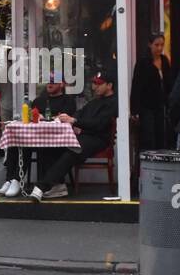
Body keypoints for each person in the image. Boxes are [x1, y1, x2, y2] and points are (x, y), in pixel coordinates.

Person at [29, 68, 119, 201]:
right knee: (53, 145)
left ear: (109, 85)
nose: (95, 87)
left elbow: (99, 124)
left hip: (98, 139)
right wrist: (74, 122)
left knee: (73, 150)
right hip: (84, 135)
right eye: (95, 83)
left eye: (99, 84)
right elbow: (79, 113)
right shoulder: (94, 101)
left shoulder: (114, 102)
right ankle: (58, 185)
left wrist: (76, 122)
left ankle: (42, 186)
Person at [0, 72, 79, 197]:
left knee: (40, 147)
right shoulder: (39, 100)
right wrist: (33, 116)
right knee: (16, 143)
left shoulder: (68, 101)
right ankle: (12, 180)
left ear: (62, 84)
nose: (50, 84)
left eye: (54, 81)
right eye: (49, 81)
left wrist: (46, 118)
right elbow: (30, 117)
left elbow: (65, 118)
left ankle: (28, 182)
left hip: (57, 141)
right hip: (35, 138)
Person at [131, 32, 172, 152]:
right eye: (156, 45)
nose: (159, 48)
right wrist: (135, 110)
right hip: (146, 105)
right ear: (150, 45)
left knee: (161, 133)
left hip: (161, 104)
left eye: (162, 45)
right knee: (148, 135)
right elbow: (136, 86)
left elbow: (168, 82)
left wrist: (169, 102)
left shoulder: (164, 61)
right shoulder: (143, 62)